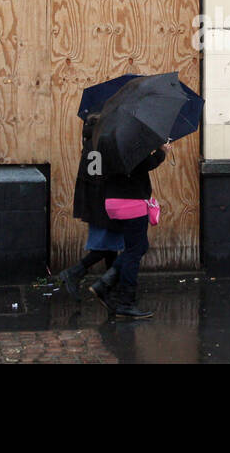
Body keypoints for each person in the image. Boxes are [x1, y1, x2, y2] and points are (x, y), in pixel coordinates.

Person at [90, 142, 170, 319]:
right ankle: (125, 303)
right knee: (134, 252)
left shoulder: (107, 142)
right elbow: (144, 164)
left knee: (139, 247)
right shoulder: (131, 143)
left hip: (113, 200)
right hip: (131, 201)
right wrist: (161, 152)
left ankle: (105, 283)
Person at [56, 115, 123, 300]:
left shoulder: (90, 143)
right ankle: (74, 272)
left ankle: (109, 288)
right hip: (106, 200)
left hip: (95, 200)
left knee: (111, 245)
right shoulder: (105, 143)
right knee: (108, 244)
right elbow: (111, 172)